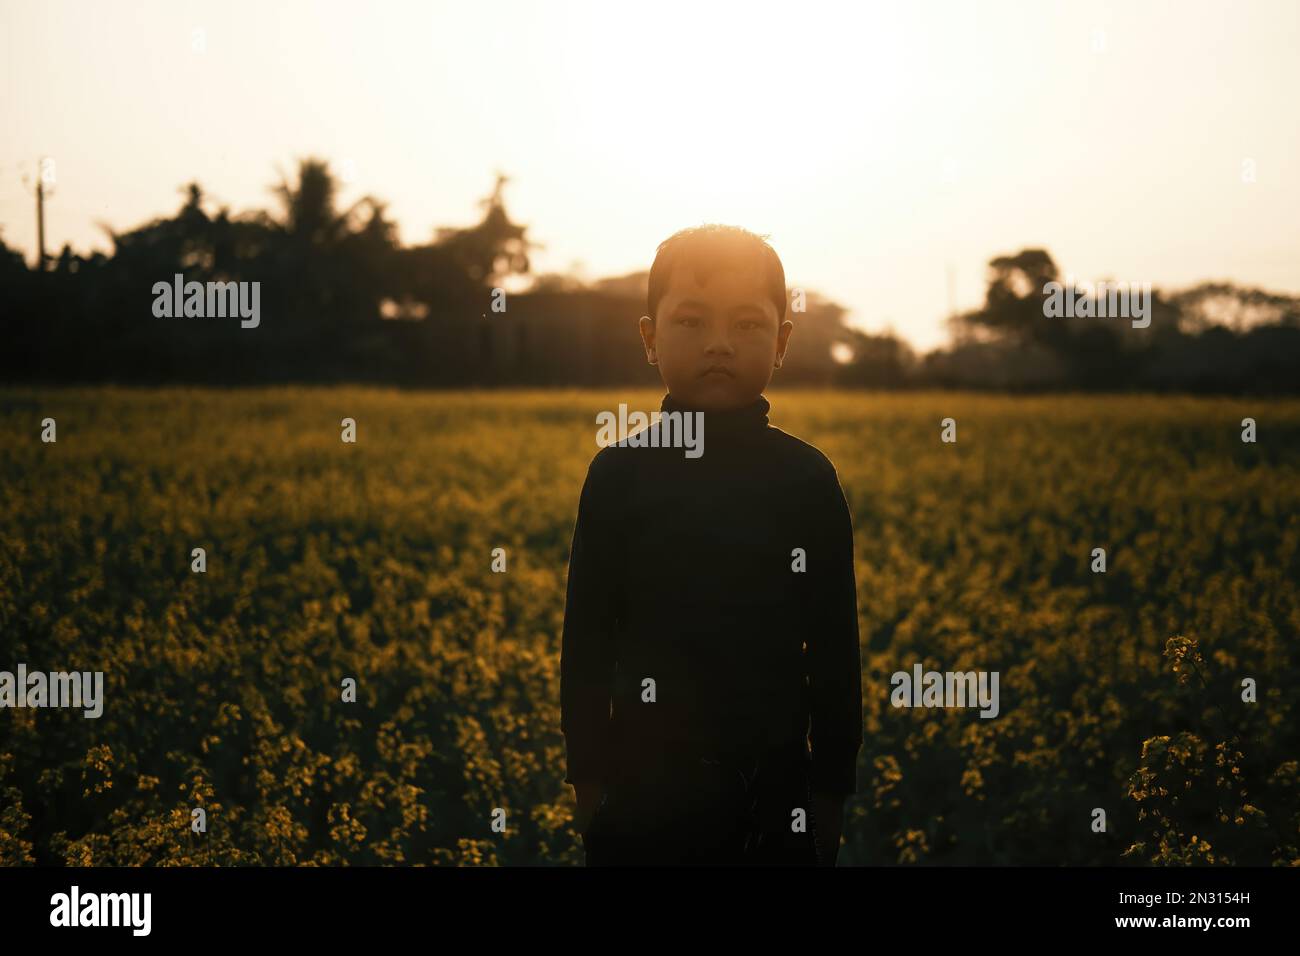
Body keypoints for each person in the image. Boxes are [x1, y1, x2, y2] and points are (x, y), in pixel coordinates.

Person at [560, 224, 863, 866]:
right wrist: (589, 783)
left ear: (782, 342)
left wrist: (832, 791)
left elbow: (835, 650)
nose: (719, 345)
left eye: (748, 326)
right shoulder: (618, 476)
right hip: (643, 798)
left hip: (776, 798)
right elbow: (586, 643)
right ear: (649, 338)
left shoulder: (807, 479)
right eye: (692, 323)